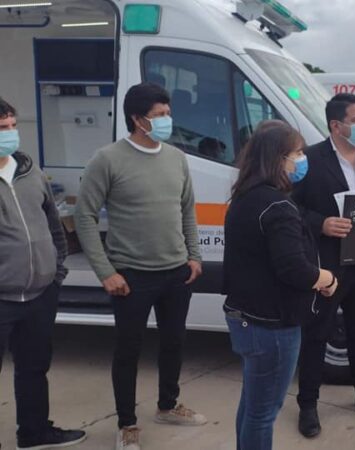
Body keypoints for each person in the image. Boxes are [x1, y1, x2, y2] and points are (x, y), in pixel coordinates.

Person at [75, 83, 206, 450]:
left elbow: (186, 211)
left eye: (167, 113)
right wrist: (106, 272)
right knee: (128, 350)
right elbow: (84, 216)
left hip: (176, 272)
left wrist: (193, 256)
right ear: (137, 119)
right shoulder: (108, 159)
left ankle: (167, 404)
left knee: (174, 342)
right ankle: (127, 423)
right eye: (159, 115)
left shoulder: (177, 158)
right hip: (130, 275)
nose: (167, 120)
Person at [223, 121, 339, 449]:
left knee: (252, 404)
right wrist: (327, 279)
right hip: (272, 325)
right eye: (297, 153)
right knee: (263, 411)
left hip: (246, 317)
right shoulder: (277, 206)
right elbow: (295, 269)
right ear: (278, 159)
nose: (303, 160)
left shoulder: (245, 197)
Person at [292, 93, 355, 438]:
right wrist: (320, 223)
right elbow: (291, 207)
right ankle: (308, 403)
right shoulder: (310, 159)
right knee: (317, 334)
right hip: (327, 265)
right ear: (336, 126)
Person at [0, 98, 87, 449]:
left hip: (39, 293)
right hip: (2, 297)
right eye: (1, 128)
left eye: (11, 126)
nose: (9, 134)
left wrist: (57, 271)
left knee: (34, 368)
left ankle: (34, 432)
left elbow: (54, 225)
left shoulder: (29, 171)